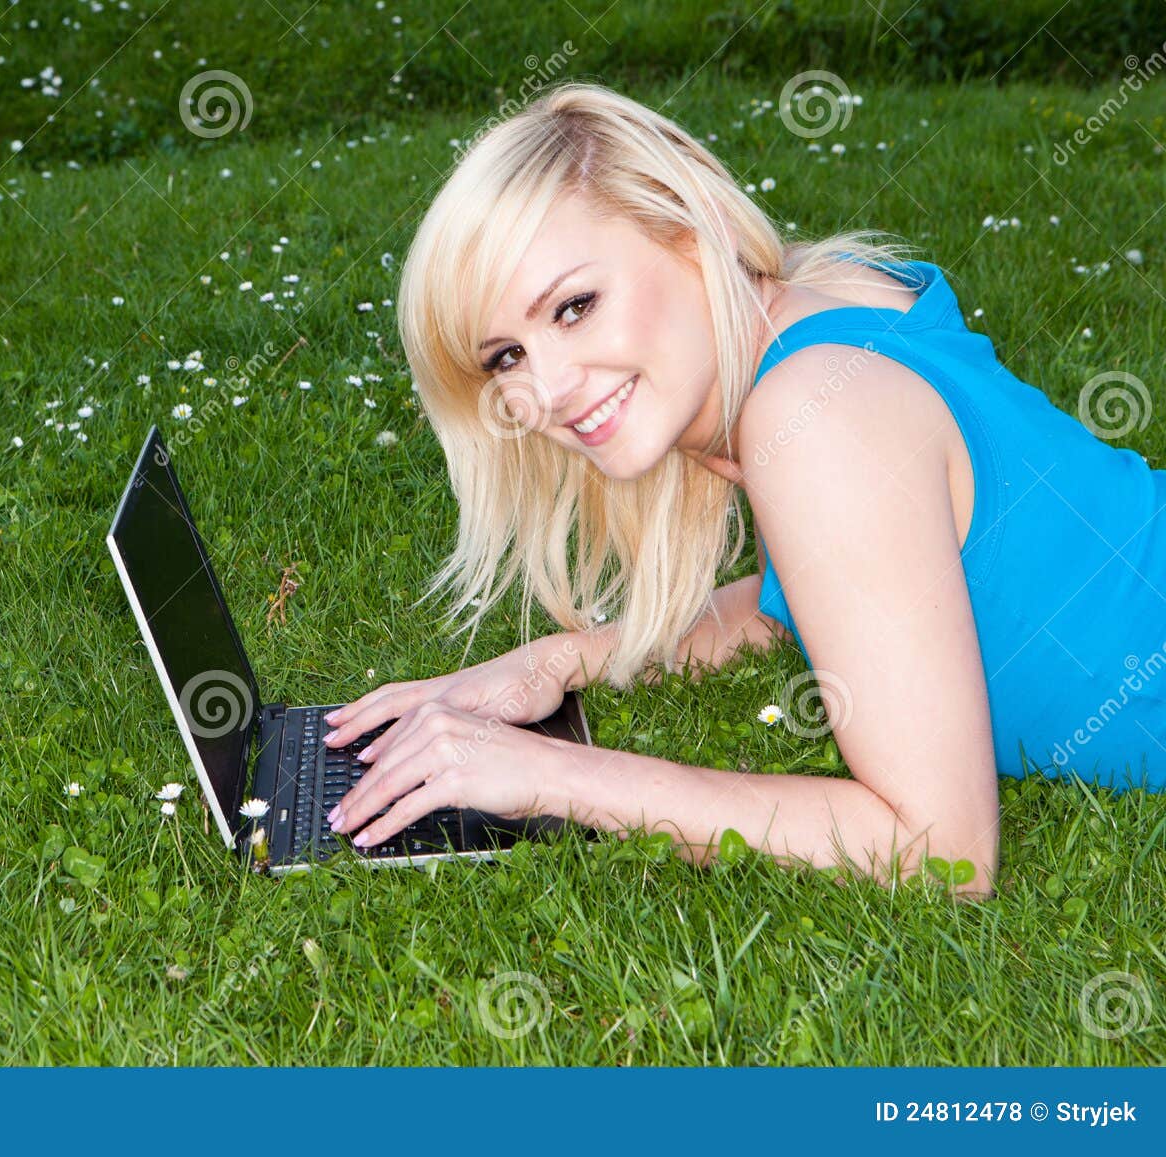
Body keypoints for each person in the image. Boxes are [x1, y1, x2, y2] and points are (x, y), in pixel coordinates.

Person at [321, 80, 1166, 899]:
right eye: (505, 355)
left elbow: (940, 850)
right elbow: (801, 600)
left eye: (575, 306)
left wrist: (551, 773)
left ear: (698, 229)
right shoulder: (814, 314)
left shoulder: (816, 414)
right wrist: (557, 661)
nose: (547, 388)